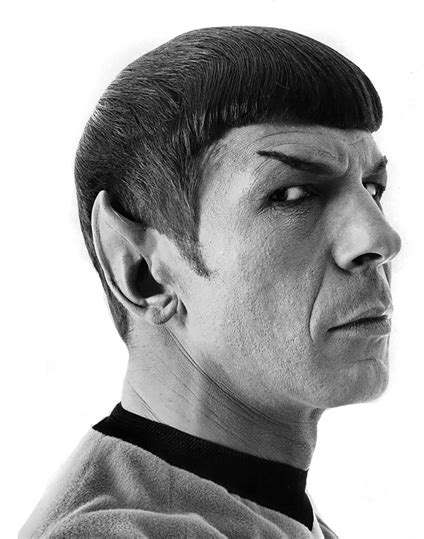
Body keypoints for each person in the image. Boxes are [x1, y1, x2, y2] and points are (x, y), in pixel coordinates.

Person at [20, 26, 401, 538]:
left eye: (372, 189)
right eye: (293, 194)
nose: (381, 238)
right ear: (143, 271)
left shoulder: (257, 510)